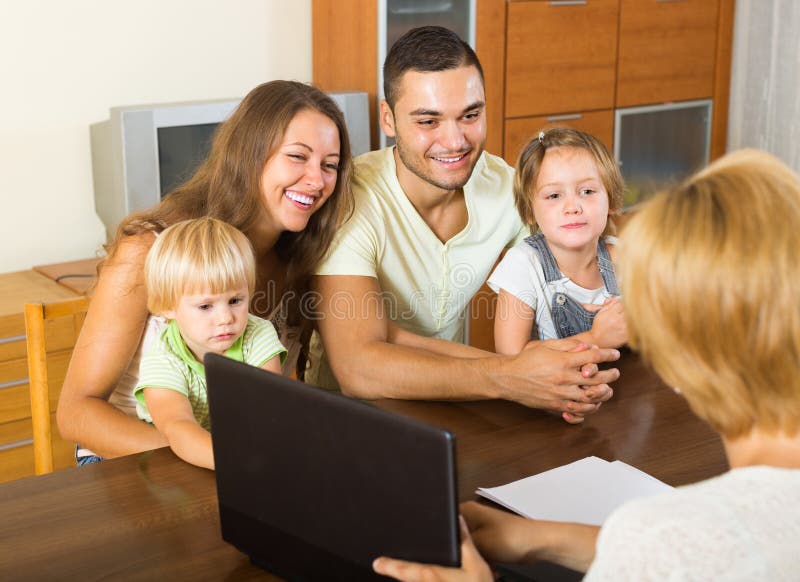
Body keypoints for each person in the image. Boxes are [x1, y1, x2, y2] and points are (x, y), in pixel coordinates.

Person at [372, 149, 800, 581]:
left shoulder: (679, 540)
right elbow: (688, 545)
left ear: (680, 361)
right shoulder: (692, 536)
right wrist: (536, 538)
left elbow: (681, 550)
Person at [310, 26, 619, 423]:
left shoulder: (507, 188)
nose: (454, 141)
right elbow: (358, 368)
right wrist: (509, 375)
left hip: (456, 407)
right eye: (428, 121)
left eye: (470, 115)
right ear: (388, 119)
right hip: (347, 416)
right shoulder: (350, 199)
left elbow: (591, 259)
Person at [57, 80, 353, 462]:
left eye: (330, 166)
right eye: (298, 156)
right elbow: (76, 413)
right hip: (131, 461)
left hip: (229, 460)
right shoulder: (148, 250)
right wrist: (205, 456)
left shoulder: (300, 264)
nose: (317, 181)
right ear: (250, 154)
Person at [134, 218, 286, 470]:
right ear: (167, 307)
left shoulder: (257, 334)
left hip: (240, 452)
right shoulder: (163, 356)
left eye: (236, 300)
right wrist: (238, 462)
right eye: (205, 306)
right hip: (173, 463)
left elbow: (268, 407)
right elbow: (177, 426)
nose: (226, 318)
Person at [488, 128, 627, 355]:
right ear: (530, 210)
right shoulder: (523, 265)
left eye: (587, 191)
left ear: (610, 198)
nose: (572, 207)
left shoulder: (623, 256)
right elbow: (510, 356)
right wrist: (595, 338)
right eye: (554, 196)